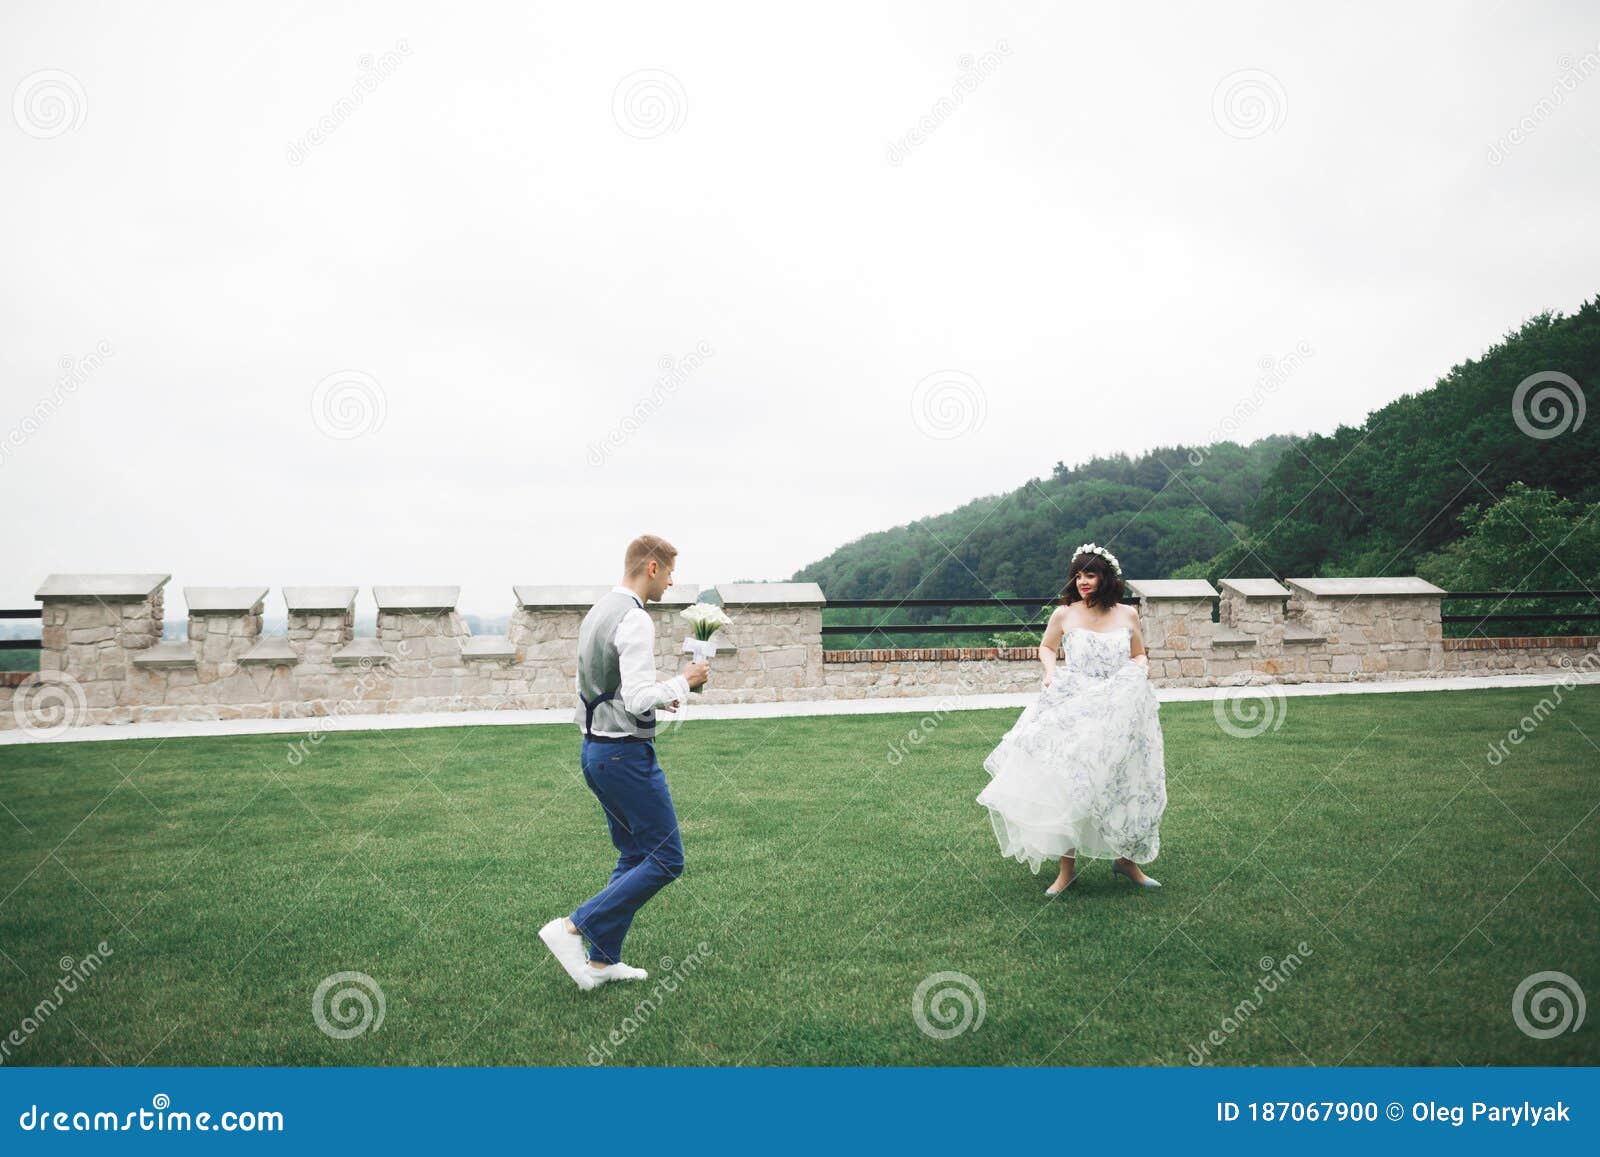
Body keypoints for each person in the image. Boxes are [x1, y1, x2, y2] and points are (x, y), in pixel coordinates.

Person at [538, 534, 709, 990]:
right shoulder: (635, 619)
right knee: (668, 859)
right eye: (670, 573)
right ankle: (572, 926)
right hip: (624, 755)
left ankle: (602, 962)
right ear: (651, 568)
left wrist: (661, 700)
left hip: (595, 751)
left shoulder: (599, 610)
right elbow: (635, 698)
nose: (672, 583)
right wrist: (684, 682)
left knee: (635, 854)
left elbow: (608, 688)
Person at [976, 543, 1167, 894]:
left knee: (1125, 781)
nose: (1082, 581)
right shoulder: (1064, 614)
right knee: (1069, 783)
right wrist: (1050, 672)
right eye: (1078, 575)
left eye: (1090, 574)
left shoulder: (1128, 615)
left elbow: (1139, 655)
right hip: (1074, 702)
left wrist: (1140, 671)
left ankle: (1127, 861)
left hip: (1120, 707)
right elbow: (1047, 647)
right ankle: (1067, 870)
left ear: (1106, 578)